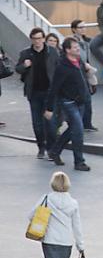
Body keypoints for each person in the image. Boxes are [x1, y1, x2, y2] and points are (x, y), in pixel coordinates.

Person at [31, 171, 86, 258]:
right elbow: (77, 225)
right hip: (66, 240)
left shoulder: (47, 199)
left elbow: (31, 214)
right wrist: (81, 245)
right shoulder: (73, 203)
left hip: (49, 239)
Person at [43, 38, 91, 171]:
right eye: (74, 47)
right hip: (69, 102)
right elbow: (54, 88)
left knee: (73, 129)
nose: (77, 49)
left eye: (77, 46)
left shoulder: (79, 62)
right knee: (78, 130)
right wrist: (49, 108)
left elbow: (82, 80)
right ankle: (79, 161)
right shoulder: (62, 67)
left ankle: (55, 151)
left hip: (80, 101)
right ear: (67, 50)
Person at [17, 27, 59, 159]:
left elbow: (58, 69)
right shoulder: (26, 53)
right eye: (35, 39)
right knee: (37, 123)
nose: (37, 41)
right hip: (34, 92)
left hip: (49, 92)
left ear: (43, 38)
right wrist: (25, 65)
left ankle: (52, 149)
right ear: (31, 39)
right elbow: (18, 69)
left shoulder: (51, 52)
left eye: (40, 38)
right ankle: (41, 147)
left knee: (50, 122)